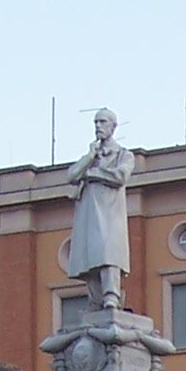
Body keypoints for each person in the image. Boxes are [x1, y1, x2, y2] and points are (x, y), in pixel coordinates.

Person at [65, 108, 134, 309]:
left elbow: (120, 176)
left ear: (113, 126)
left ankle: (111, 294)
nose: (98, 126)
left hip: (110, 212)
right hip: (88, 214)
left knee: (108, 253)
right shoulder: (91, 157)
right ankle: (96, 300)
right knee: (90, 258)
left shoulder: (124, 155)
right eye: (95, 123)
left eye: (102, 122)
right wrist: (89, 157)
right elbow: (71, 176)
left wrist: (93, 173)